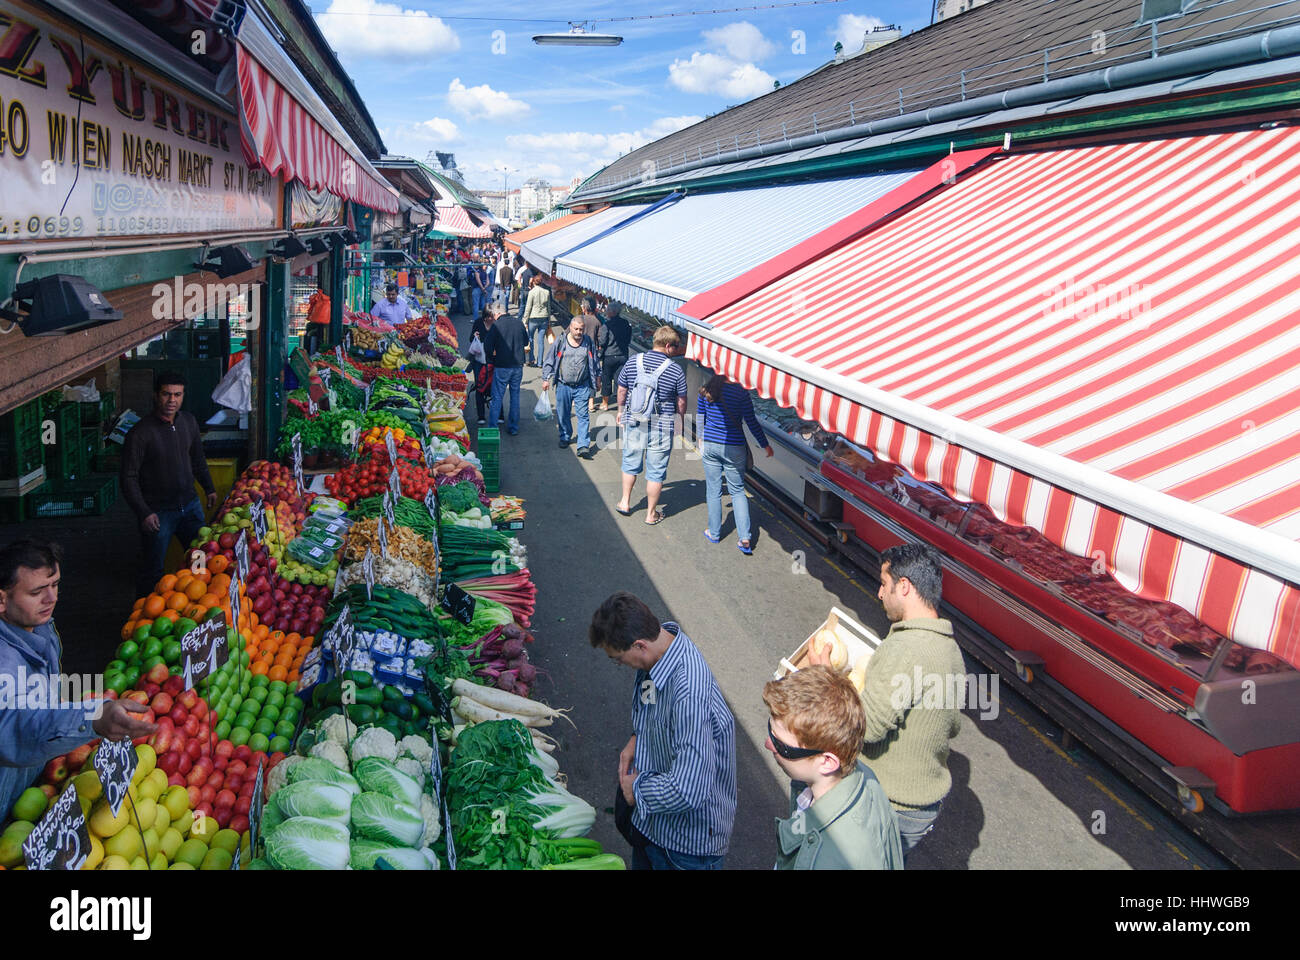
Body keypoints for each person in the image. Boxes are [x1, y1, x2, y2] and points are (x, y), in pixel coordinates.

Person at [807, 542, 964, 862]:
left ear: (904, 587)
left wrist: (826, 676)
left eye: (884, 584)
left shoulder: (906, 647)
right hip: (920, 810)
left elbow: (868, 726)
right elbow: (951, 725)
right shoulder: (949, 649)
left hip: (887, 805)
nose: (880, 593)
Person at [0, 539, 157, 815]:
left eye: (55, 584)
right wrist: (91, 717)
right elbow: (16, 725)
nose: (52, 598)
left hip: (33, 779)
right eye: (37, 591)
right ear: (2, 599)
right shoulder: (5, 661)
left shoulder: (37, 625)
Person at [589, 592, 735, 870]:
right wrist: (637, 736)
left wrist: (637, 790)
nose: (620, 665)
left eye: (619, 659)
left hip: (685, 849)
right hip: (655, 825)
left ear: (639, 645)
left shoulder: (688, 695)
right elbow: (649, 700)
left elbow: (690, 789)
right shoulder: (658, 654)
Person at [763, 666, 904, 870]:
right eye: (771, 730)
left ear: (827, 762)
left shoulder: (833, 859)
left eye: (782, 746)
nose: (768, 744)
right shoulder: (864, 778)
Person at [121, 372, 217, 597]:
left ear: (183, 396)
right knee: (152, 569)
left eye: (177, 394)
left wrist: (209, 487)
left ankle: (196, 599)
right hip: (158, 514)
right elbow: (128, 477)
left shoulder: (189, 422)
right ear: (156, 395)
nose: (171, 400)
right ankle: (143, 615)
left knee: (199, 558)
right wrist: (144, 512)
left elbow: (197, 458)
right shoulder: (140, 433)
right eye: (166, 394)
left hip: (190, 507)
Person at [615, 325, 687, 525]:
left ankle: (625, 502)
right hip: (662, 427)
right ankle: (650, 514)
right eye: (676, 347)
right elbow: (681, 400)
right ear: (667, 346)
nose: (677, 350)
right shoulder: (675, 370)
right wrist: (679, 421)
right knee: (655, 471)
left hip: (634, 420)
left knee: (630, 463)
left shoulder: (633, 361)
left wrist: (621, 411)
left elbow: (622, 389)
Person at [697, 374, 774, 555]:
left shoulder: (705, 390)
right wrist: (765, 445)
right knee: (737, 491)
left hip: (709, 444)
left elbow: (701, 418)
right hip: (734, 447)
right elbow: (751, 422)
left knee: (713, 490)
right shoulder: (742, 394)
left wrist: (701, 438)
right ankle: (744, 538)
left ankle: (714, 532)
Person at [542, 316, 601, 458]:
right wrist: (546, 378)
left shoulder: (588, 342)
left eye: (581, 329)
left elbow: (595, 361)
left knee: (583, 415)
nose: (579, 332)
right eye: (576, 329)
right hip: (564, 385)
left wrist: (598, 378)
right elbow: (550, 359)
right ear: (571, 327)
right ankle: (565, 436)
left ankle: (583, 445)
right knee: (563, 414)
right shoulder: (561, 341)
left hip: (582, 386)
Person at [484, 305, 528, 435]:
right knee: (515, 396)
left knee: (497, 397)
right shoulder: (519, 323)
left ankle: (492, 428)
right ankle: (513, 427)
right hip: (517, 366)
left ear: (497, 314)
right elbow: (526, 342)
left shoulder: (497, 326)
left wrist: (491, 358)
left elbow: (487, 345)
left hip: (502, 366)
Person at [595, 302, 631, 413]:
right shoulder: (626, 323)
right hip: (622, 355)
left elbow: (603, 341)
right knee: (620, 380)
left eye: (608, 310)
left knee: (606, 379)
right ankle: (620, 405)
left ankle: (605, 403)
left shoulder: (607, 325)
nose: (606, 312)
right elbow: (628, 339)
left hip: (609, 356)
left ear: (613, 312)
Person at [467, 306, 497, 425]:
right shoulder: (478, 322)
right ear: (485, 316)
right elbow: (470, 339)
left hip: (492, 361)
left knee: (494, 387)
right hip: (479, 361)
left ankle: (498, 414)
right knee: (479, 386)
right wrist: (475, 336)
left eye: (492, 316)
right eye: (489, 316)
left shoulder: (496, 324)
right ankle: (481, 415)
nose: (491, 319)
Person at [522, 274, 556, 368]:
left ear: (533, 282)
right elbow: (549, 307)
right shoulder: (546, 292)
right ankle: (540, 362)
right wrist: (549, 319)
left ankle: (531, 359)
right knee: (541, 340)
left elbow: (528, 307)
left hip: (533, 317)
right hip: (544, 317)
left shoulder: (532, 292)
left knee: (530, 339)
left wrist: (525, 320)